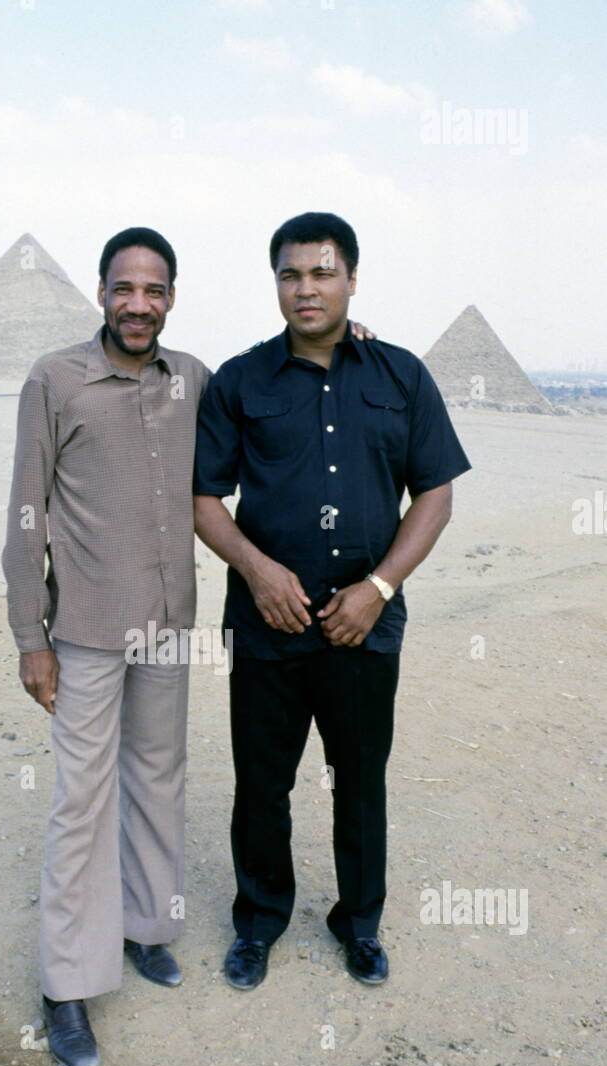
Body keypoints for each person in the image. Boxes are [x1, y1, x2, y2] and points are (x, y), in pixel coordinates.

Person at [192, 211, 471, 991]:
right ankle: (258, 922)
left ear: (351, 278)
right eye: (290, 274)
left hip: (363, 630)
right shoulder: (240, 380)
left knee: (360, 782)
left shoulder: (400, 376)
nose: (305, 288)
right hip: (266, 627)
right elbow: (204, 497)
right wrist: (256, 571)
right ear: (274, 281)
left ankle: (359, 924)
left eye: (321, 273)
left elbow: (435, 494)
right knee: (262, 784)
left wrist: (378, 588)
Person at [1, 228, 209, 1066]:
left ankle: (146, 926)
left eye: (153, 290)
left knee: (157, 779)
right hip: (84, 629)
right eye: (124, 289)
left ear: (170, 298)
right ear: (99, 292)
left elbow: (279, 395)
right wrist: (29, 638)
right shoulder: (54, 380)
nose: (138, 305)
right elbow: (24, 516)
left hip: (166, 623)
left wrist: (355, 344)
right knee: (81, 799)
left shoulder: (193, 379)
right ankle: (66, 987)